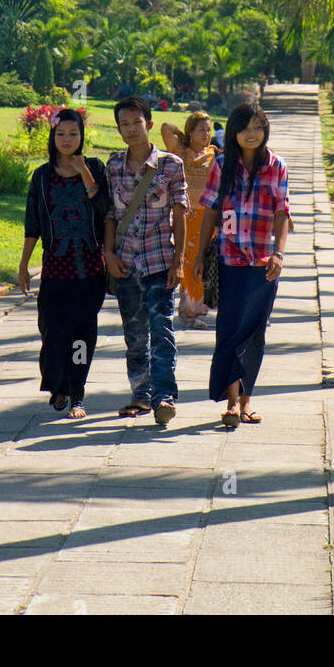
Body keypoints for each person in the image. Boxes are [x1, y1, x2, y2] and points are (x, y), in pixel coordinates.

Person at [194, 102, 289, 428]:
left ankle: (247, 402)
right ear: (234, 132)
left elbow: (282, 213)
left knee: (254, 335)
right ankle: (232, 404)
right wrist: (198, 254)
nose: (252, 134)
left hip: (264, 264)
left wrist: (279, 253)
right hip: (229, 261)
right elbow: (210, 210)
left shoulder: (276, 165)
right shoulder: (222, 164)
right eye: (245, 128)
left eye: (258, 128)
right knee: (229, 332)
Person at [19, 108, 109, 420]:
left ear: (82, 136)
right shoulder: (42, 176)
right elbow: (33, 223)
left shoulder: (95, 167)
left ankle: (77, 394)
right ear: (52, 137)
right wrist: (23, 266)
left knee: (82, 334)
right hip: (55, 269)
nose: (67, 139)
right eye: (61, 134)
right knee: (52, 329)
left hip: (90, 270)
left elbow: (104, 209)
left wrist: (84, 172)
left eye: (73, 133)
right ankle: (58, 385)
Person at [104, 95, 188, 425]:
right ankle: (140, 395)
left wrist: (179, 260)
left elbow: (180, 214)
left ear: (149, 124)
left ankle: (164, 396)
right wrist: (109, 254)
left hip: (159, 261)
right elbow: (110, 213)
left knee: (161, 328)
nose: (130, 129)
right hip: (124, 263)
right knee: (135, 334)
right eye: (123, 124)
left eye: (136, 122)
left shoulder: (170, 165)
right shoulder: (113, 166)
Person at [160, 112, 218, 328]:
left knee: (202, 260)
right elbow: (165, 127)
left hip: (207, 216)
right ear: (191, 131)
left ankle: (199, 309)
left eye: (208, 129)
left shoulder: (214, 154)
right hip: (185, 216)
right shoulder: (180, 152)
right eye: (201, 129)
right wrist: (182, 136)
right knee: (186, 260)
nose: (206, 133)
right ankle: (188, 308)